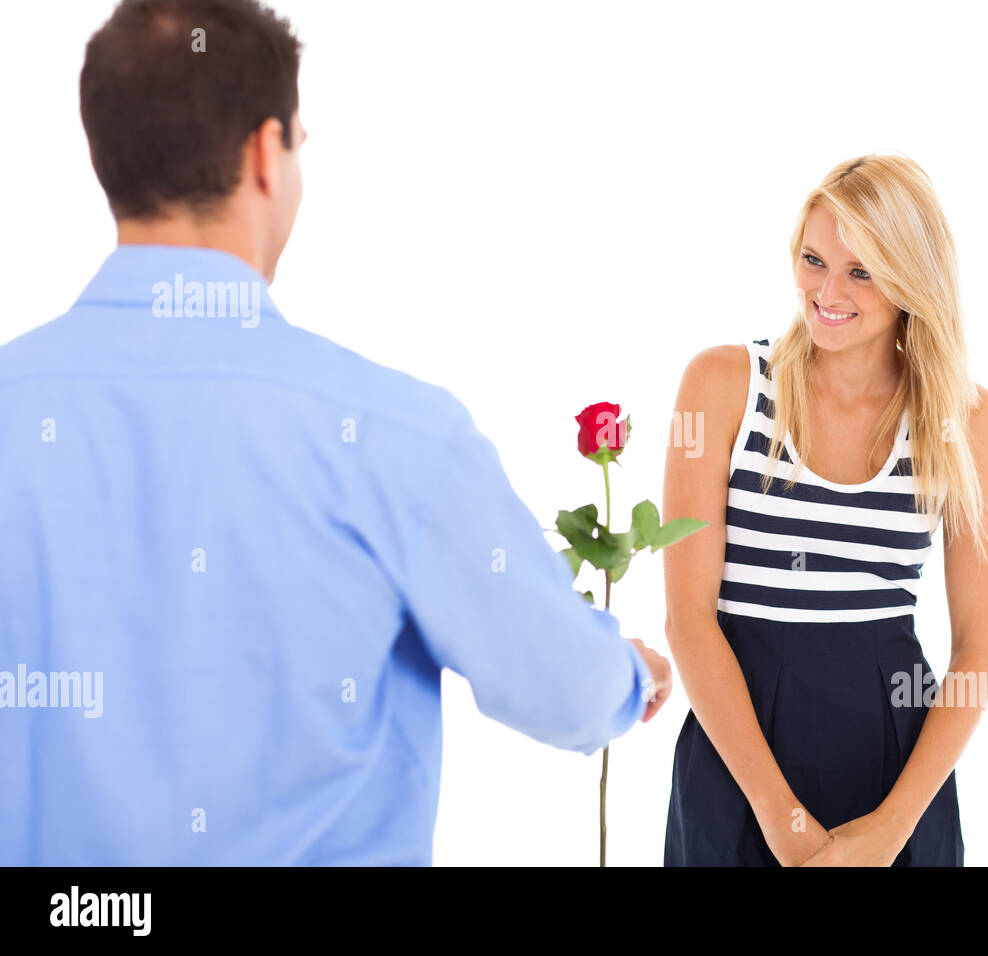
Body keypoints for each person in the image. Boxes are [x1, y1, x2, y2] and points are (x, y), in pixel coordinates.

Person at [0, 0, 670, 866]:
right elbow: (566, 688)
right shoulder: (396, 436)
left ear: (104, 154)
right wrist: (631, 673)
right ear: (263, 153)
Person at [662, 154, 988, 866]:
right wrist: (783, 823)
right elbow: (689, 619)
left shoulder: (963, 418)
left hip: (897, 781)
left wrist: (890, 829)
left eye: (862, 270)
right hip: (739, 773)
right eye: (814, 259)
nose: (827, 291)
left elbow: (977, 652)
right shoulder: (722, 384)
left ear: (913, 278)